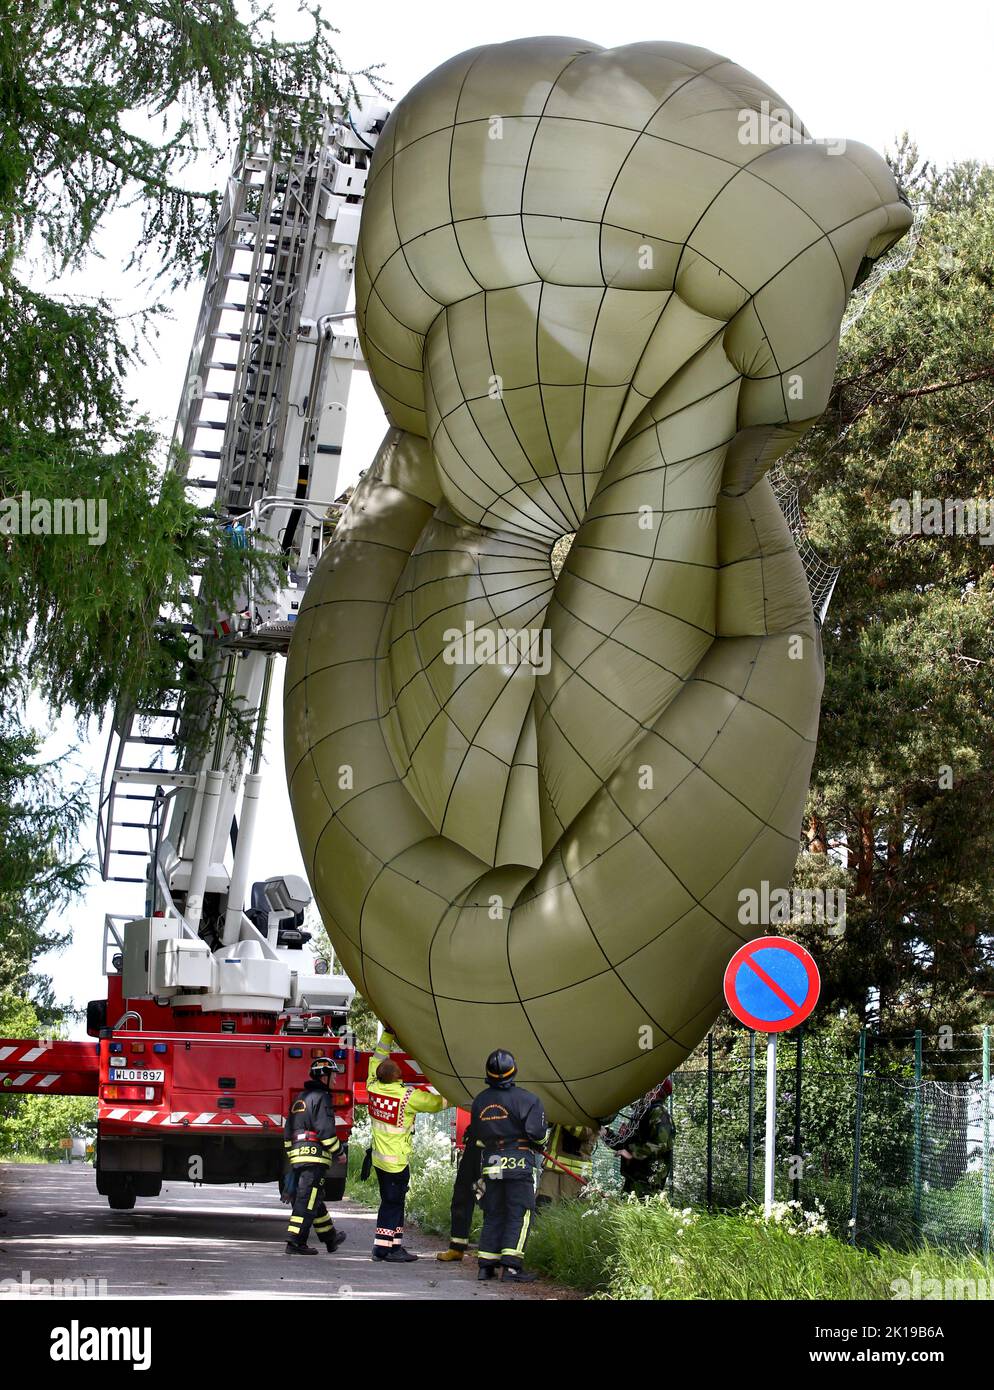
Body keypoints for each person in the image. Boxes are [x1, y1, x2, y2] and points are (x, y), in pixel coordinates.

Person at [366, 1025, 447, 1263]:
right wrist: (459, 1092)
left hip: (380, 1160)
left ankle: (394, 1245)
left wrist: (388, 1034)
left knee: (393, 1202)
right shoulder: (407, 1097)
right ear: (398, 1076)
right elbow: (437, 1103)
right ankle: (382, 1249)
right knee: (392, 1204)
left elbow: (376, 1058)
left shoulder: (372, 1087)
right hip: (397, 1163)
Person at [471, 1049, 546, 1283]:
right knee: (520, 1213)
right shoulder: (528, 1100)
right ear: (514, 1071)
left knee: (493, 1212)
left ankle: (486, 1266)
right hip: (519, 1163)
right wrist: (538, 1144)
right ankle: (512, 1267)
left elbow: (477, 1137)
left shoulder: (479, 1101)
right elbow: (538, 1135)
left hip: (491, 1163)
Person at [283, 1055, 347, 1255]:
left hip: (298, 1157)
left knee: (313, 1197)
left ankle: (330, 1237)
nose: (335, 1080)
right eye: (333, 1076)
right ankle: (295, 1242)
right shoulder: (322, 1098)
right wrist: (339, 1152)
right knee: (307, 1200)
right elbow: (325, 1132)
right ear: (323, 1077)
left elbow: (288, 1131)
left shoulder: (300, 1098)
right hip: (314, 1158)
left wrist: (292, 1154)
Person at [606, 1080, 675, 1198]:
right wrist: (605, 1133)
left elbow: (661, 1144)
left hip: (648, 1180)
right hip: (634, 1178)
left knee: (642, 1208)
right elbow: (624, 1144)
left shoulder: (659, 1113)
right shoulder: (642, 1113)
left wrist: (632, 1153)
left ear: (656, 1090)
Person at [436, 1114, 483, 1261]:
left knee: (489, 1200)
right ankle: (457, 1247)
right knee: (461, 1196)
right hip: (472, 1149)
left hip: (492, 1152)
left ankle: (490, 1252)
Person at [536, 1123, 598, 1206]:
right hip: (551, 1169)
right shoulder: (562, 1115)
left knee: (570, 1209)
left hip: (575, 1176)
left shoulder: (595, 1116)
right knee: (542, 1206)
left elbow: (584, 1132)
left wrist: (561, 1118)